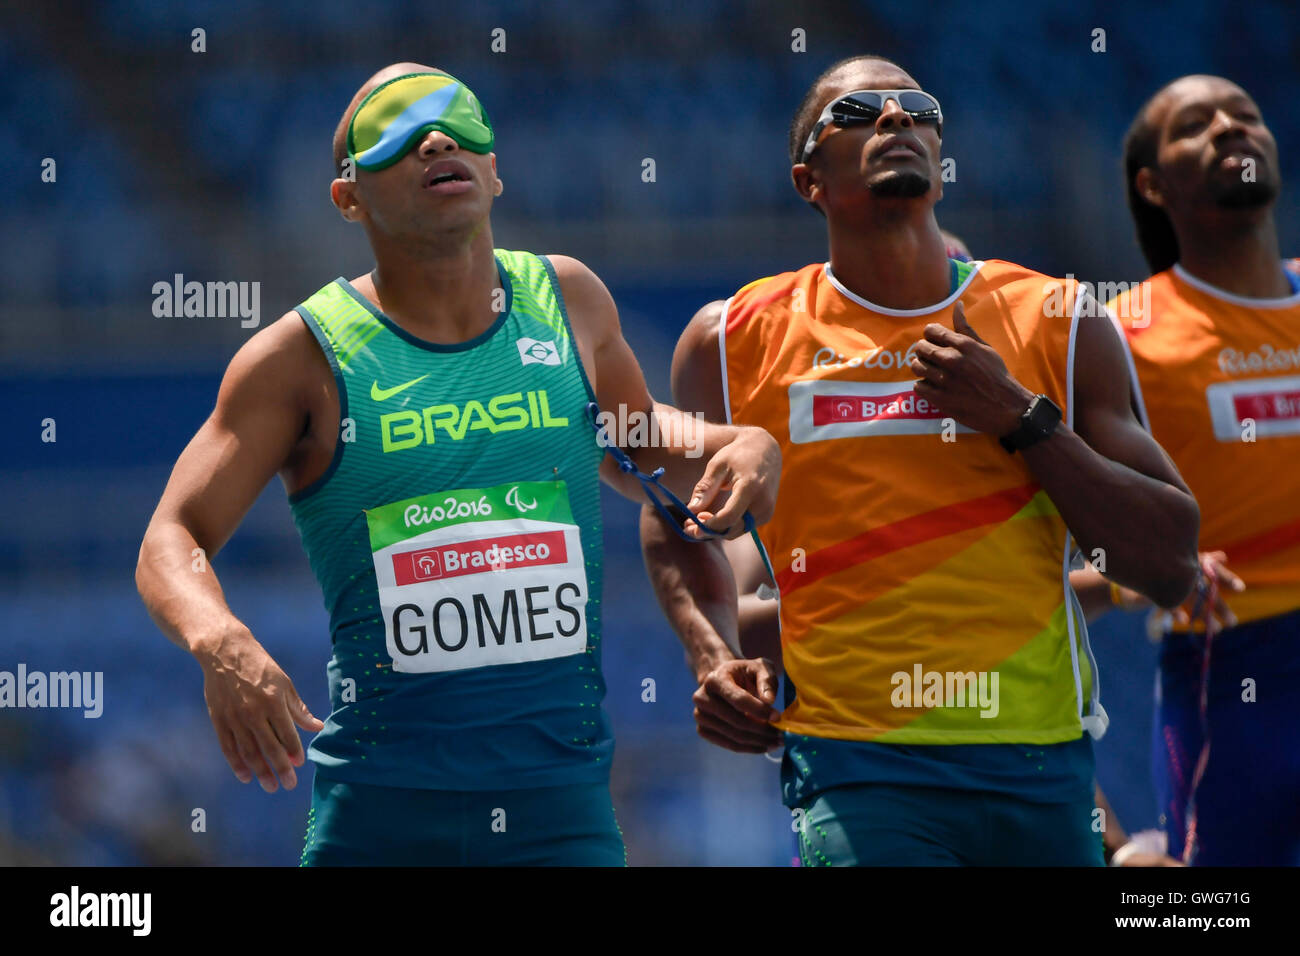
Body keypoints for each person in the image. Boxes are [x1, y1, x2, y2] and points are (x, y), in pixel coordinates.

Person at [136, 63, 780, 866]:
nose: (437, 137)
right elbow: (171, 535)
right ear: (349, 197)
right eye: (395, 132)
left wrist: (742, 442)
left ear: (495, 171)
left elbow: (636, 441)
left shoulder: (569, 299)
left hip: (564, 818)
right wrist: (217, 638)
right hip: (381, 824)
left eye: (459, 121)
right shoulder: (299, 359)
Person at [640, 54, 1200, 866]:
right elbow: (669, 512)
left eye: (917, 107)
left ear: (941, 154)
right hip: (857, 768)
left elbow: (1172, 564)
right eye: (860, 110)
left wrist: (1019, 418)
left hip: (1042, 767)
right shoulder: (731, 338)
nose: (897, 118)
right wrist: (713, 655)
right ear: (810, 180)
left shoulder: (1058, 317)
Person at [1071, 74, 1300, 866]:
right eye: (1198, 125)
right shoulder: (1118, 338)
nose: (1233, 129)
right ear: (1152, 184)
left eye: (1247, 114)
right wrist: (1154, 575)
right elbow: (1052, 566)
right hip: (1233, 676)